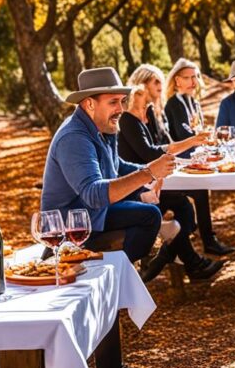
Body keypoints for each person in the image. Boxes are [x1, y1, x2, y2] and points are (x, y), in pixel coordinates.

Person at [40, 67, 175, 264]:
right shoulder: (74, 138)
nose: (120, 109)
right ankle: (114, 270)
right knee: (149, 216)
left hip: (94, 214)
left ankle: (123, 268)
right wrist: (148, 173)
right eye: (113, 102)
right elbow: (94, 195)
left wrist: (151, 174)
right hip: (70, 226)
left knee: (155, 207)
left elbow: (116, 166)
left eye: (122, 101)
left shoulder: (104, 126)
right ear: (89, 104)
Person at [118, 83, 226, 282]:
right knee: (182, 205)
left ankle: (174, 254)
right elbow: (149, 153)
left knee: (185, 205)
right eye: (141, 107)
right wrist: (192, 141)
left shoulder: (144, 117)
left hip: (146, 180)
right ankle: (185, 260)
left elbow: (158, 147)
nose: (144, 112)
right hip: (134, 187)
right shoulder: (127, 120)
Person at [162, 58, 235, 256]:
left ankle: (203, 235)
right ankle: (206, 239)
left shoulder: (193, 101)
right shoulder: (173, 104)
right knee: (201, 191)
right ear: (177, 81)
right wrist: (202, 139)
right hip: (179, 161)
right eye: (187, 78)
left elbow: (198, 131)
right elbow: (182, 135)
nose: (192, 81)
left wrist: (206, 138)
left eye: (195, 77)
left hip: (194, 158)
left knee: (203, 190)